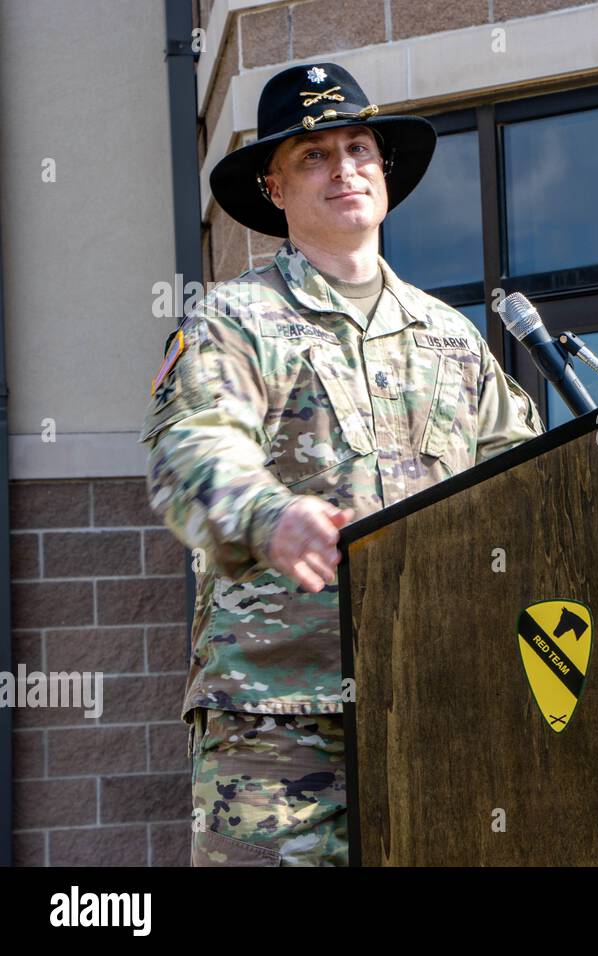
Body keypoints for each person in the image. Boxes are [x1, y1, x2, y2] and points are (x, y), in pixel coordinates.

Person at [139, 62, 542, 866]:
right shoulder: (234, 319)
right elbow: (190, 447)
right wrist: (271, 514)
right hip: (280, 718)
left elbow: (528, 478)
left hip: (436, 702)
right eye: (314, 155)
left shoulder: (449, 336)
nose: (345, 169)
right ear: (274, 187)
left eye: (359, 148)